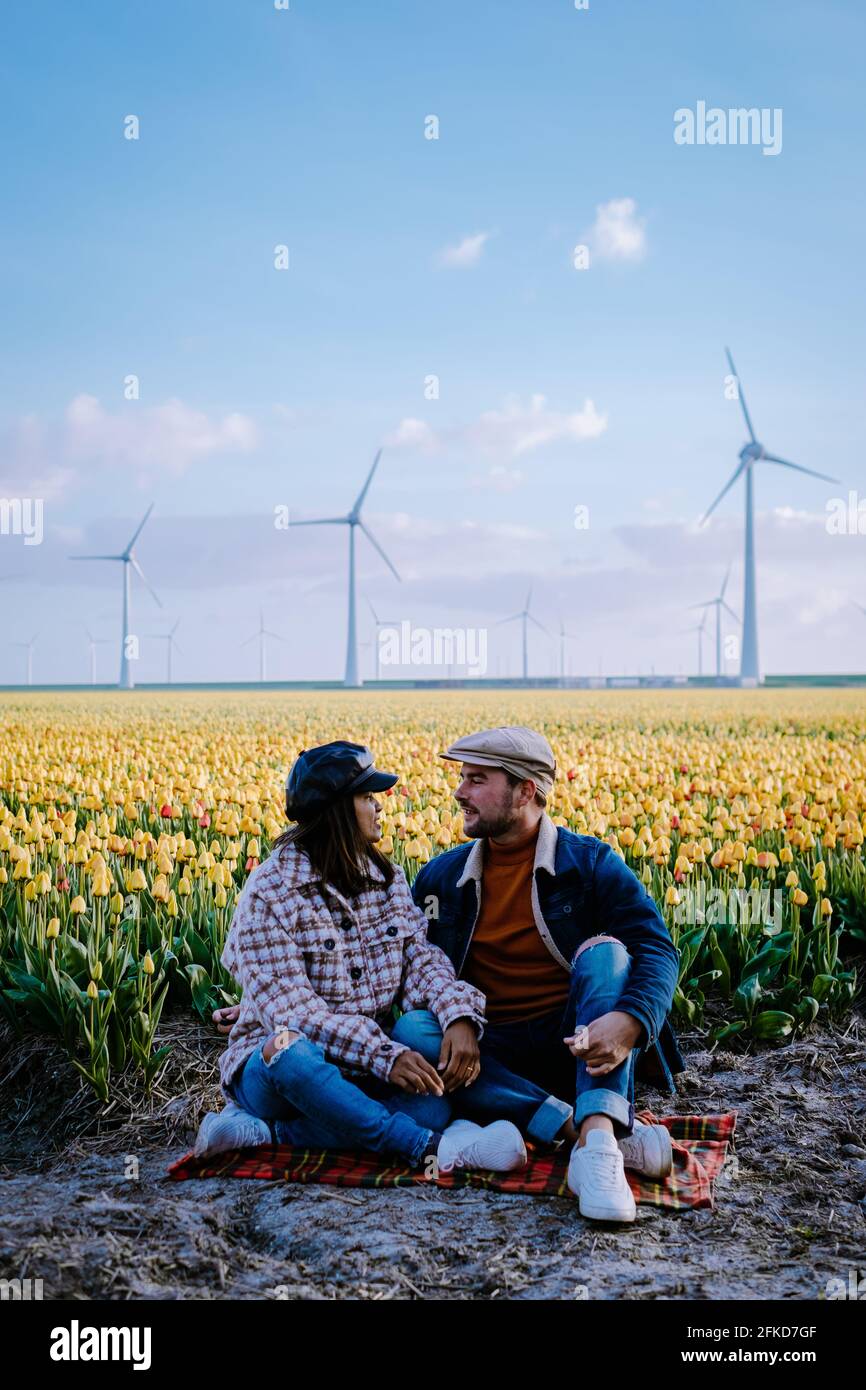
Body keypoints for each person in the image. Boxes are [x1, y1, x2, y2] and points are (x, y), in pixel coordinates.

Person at [195, 740, 527, 1178]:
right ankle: (431, 1150)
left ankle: (269, 1135)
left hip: (358, 1068)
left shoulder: (384, 879)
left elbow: (420, 960)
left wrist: (457, 1013)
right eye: (368, 797)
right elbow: (295, 1016)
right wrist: (384, 1054)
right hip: (279, 1069)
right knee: (291, 1052)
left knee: (431, 1105)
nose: (379, 808)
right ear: (337, 809)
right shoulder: (269, 893)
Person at [406, 726, 685, 1223]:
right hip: (488, 1058)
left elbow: (657, 949)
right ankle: (588, 1131)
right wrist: (458, 1018)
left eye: (477, 780)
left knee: (608, 954)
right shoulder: (439, 879)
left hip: (577, 1046)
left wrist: (632, 1021)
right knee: (412, 1030)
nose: (459, 792)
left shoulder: (590, 865)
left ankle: (598, 1147)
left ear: (525, 791)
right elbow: (404, 964)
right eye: (461, 778)